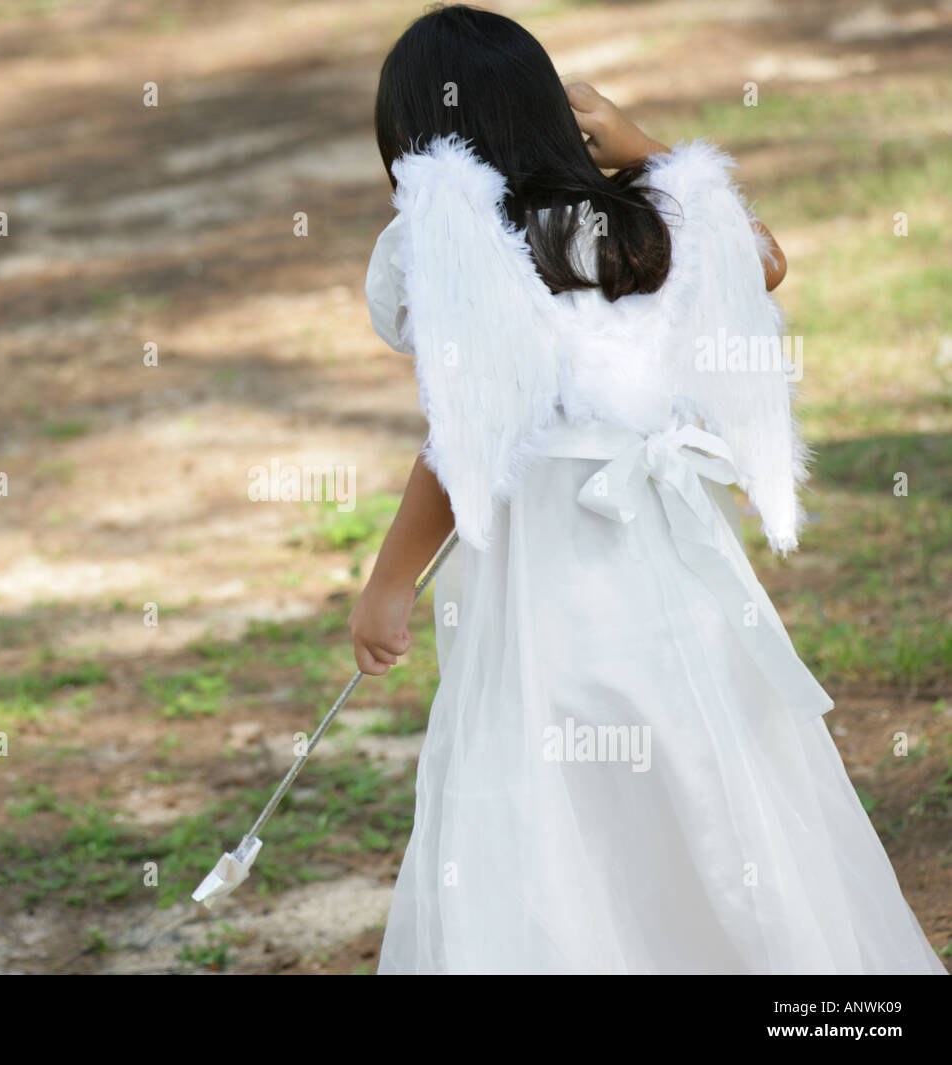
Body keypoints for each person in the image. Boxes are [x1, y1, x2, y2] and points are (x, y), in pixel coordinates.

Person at [352, 4, 946, 975]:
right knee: (702, 746)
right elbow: (760, 259)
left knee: (548, 758)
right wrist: (651, 151)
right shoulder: (645, 220)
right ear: (555, 113)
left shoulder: (456, 254)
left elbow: (458, 440)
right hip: (668, 558)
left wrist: (386, 582)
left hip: (550, 570)